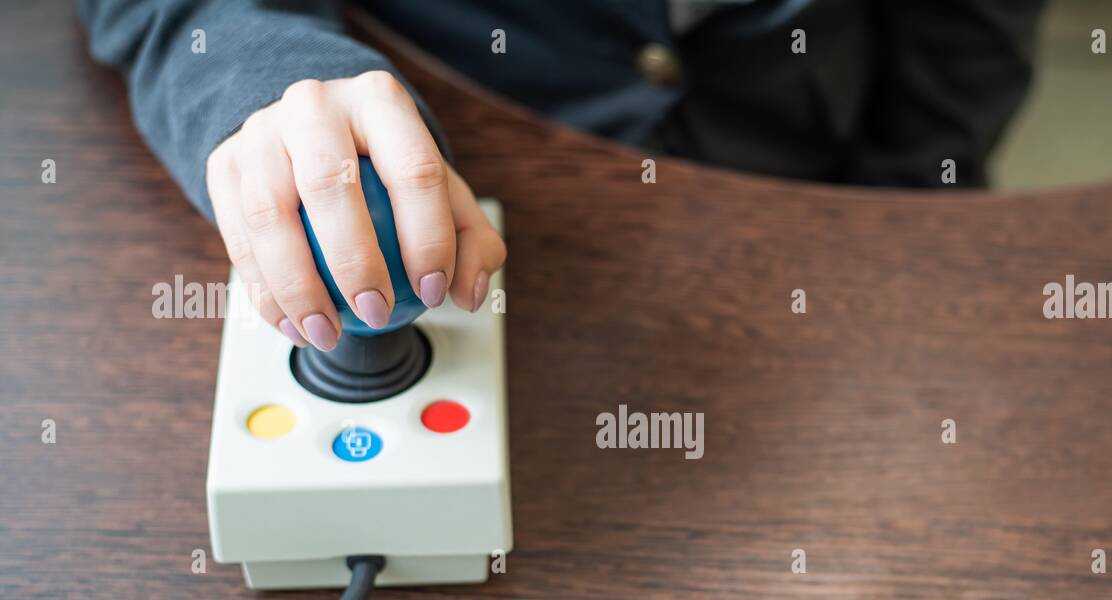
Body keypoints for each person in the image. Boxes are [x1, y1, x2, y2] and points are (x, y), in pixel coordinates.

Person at [79, 0, 1043, 352]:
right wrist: (265, 83)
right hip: (486, 174)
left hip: (810, 177)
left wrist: (916, 222)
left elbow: (964, 46)